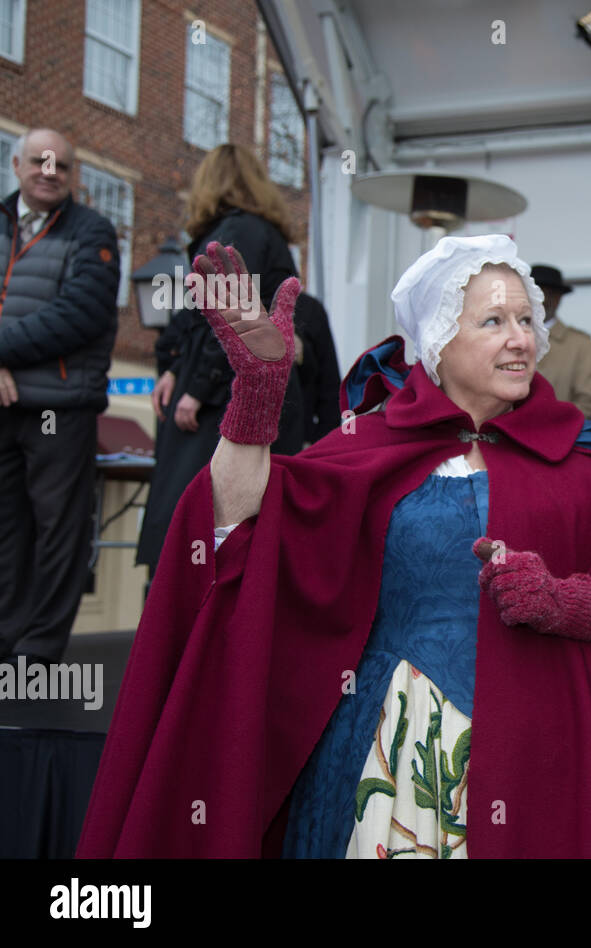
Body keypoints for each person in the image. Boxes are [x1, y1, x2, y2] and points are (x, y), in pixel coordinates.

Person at [77, 234, 591, 858]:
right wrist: (256, 399)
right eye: (492, 320)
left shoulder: (583, 467)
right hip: (390, 759)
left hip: (550, 766)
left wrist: (574, 605)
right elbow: (237, 531)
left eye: (525, 318)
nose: (521, 338)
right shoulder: (368, 448)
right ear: (437, 340)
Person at [137, 144, 304, 571]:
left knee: (203, 522)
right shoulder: (266, 234)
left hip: (223, 395)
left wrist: (196, 386)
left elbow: (227, 319)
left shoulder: (235, 232)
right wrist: (177, 368)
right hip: (248, 386)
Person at [0, 128, 120, 665]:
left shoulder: (92, 231)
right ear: (17, 163)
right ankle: (8, 636)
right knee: (8, 527)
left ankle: (42, 646)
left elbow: (80, 314)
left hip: (59, 409)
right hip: (5, 403)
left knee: (58, 530)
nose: (49, 171)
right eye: (39, 162)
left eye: (62, 166)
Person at [532, 264, 591, 418]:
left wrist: (550, 422)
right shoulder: (511, 339)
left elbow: (587, 403)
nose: (541, 300)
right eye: (535, 293)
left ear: (558, 298)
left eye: (546, 293)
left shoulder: (580, 344)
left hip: (558, 436)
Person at [292, 291, 342, 444]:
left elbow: (331, 388)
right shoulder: (231, 306)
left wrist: (321, 445)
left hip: (298, 441)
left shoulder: (308, 309)